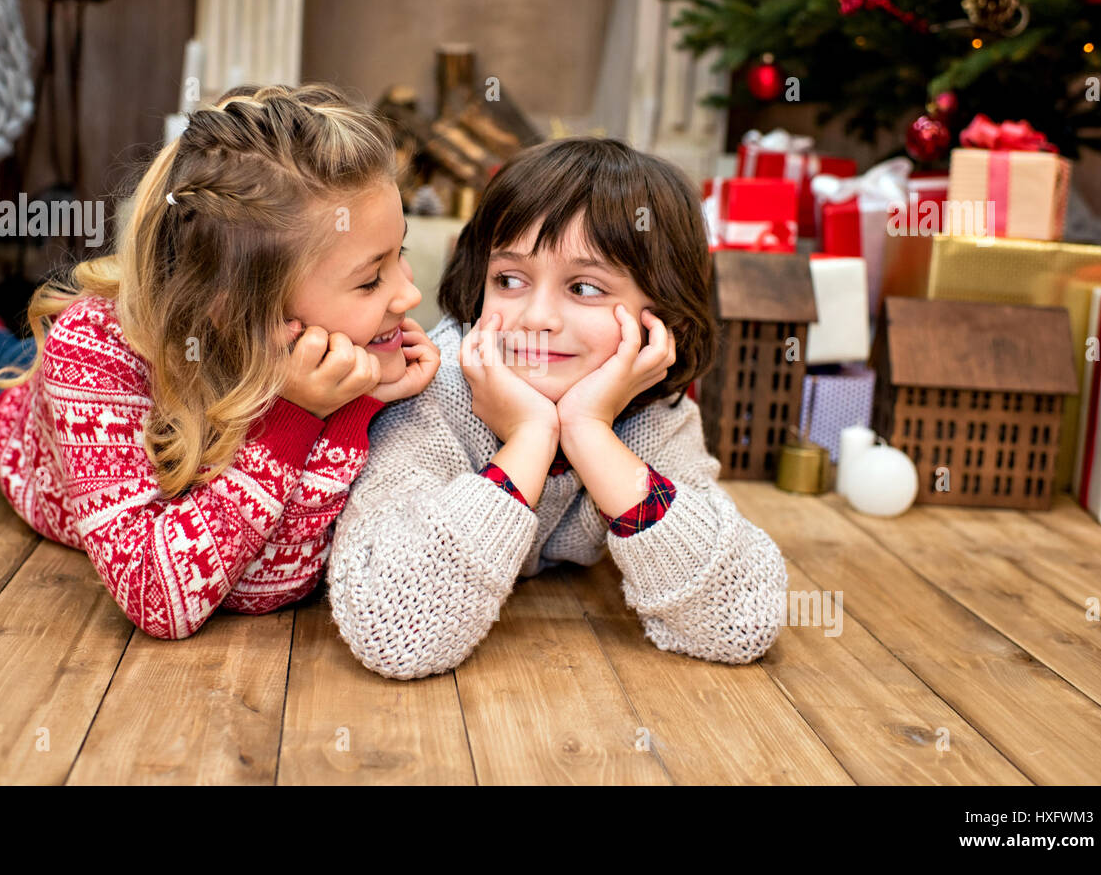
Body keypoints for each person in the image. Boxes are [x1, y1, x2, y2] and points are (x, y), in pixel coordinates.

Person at [0, 83, 439, 640]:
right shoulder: (90, 352)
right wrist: (300, 420)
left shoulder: (332, 362)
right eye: (371, 278)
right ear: (237, 306)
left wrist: (358, 402)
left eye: (399, 255)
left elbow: (275, 581)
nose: (409, 296)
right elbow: (161, 597)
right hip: (17, 416)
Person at [327, 136, 788, 679]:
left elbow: (744, 619)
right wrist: (529, 438)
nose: (536, 317)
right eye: (510, 280)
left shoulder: (653, 415)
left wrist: (590, 431)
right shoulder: (432, 389)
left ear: (663, 318)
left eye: (586, 288)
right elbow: (396, 633)